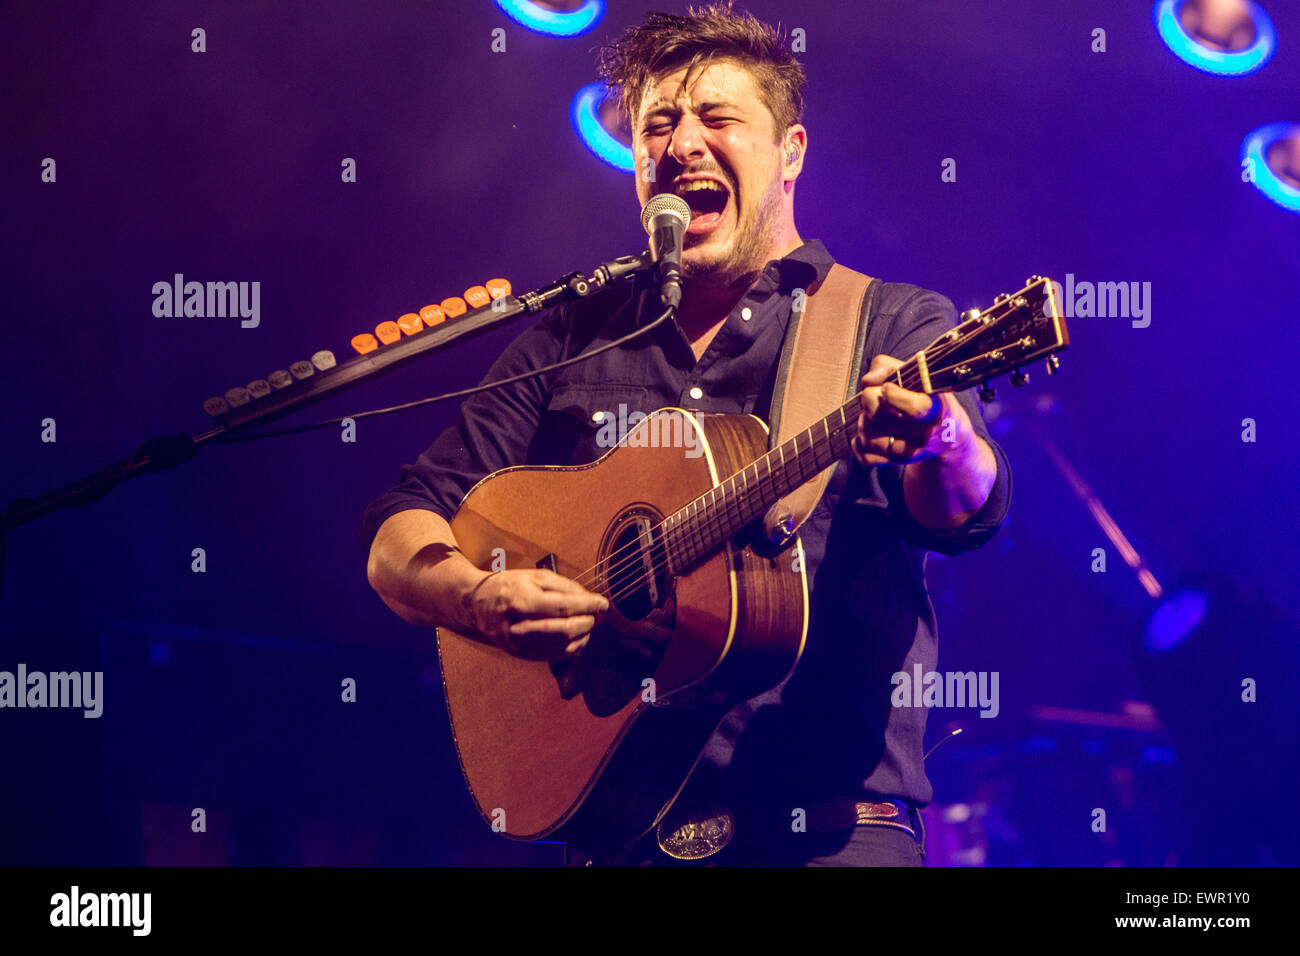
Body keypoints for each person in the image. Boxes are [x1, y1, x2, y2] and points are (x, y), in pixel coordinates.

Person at [359, 2, 1010, 866]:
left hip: (824, 832)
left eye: (717, 118)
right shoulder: (570, 336)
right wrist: (478, 600)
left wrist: (941, 439)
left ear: (791, 153)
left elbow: (966, 511)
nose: (680, 144)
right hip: (617, 831)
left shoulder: (885, 321)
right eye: (657, 125)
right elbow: (403, 530)